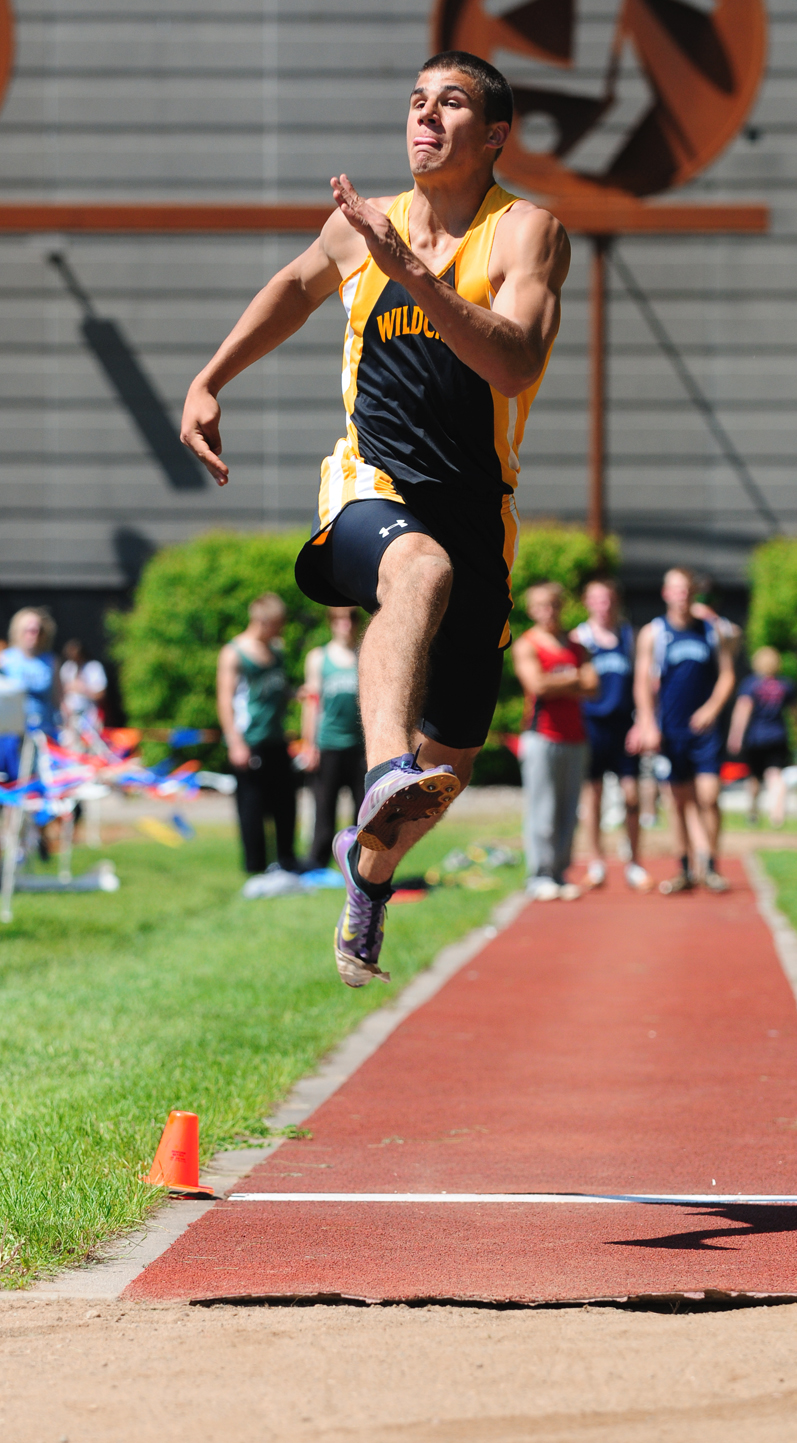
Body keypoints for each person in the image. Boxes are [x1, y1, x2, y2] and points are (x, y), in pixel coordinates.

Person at [181, 51, 569, 984]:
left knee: (455, 756)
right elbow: (293, 285)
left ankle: (370, 867)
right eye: (416, 101)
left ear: (496, 135)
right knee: (417, 570)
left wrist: (418, 280)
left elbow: (515, 364)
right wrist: (209, 378)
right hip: (370, 487)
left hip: (480, 512)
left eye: (452, 103)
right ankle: (382, 768)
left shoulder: (525, 232)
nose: (426, 116)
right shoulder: (362, 226)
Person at [633, 567, 736, 894]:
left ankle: (711, 864)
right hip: (670, 730)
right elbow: (641, 683)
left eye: (686, 589)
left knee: (709, 795)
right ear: (665, 593)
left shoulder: (711, 630)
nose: (681, 595)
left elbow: (728, 675)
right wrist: (647, 722)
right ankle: (684, 867)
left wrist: (711, 709)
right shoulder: (654, 633)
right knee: (676, 801)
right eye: (675, 589)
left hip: (704, 732)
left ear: (694, 593)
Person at [512, 582, 598, 900]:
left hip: (575, 737)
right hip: (541, 736)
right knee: (542, 808)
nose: (549, 611)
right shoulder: (528, 644)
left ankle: (560, 872)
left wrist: (561, 681)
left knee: (568, 810)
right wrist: (574, 679)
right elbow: (538, 686)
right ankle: (540, 874)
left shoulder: (576, 645)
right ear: (533, 610)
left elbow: (594, 685)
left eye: (554, 604)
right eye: (542, 605)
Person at [571, 578, 653, 892]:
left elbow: (642, 684)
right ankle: (597, 862)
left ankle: (634, 862)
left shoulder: (629, 637)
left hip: (624, 727)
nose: (603, 606)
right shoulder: (580, 637)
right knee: (593, 799)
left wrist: (641, 722)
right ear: (587, 602)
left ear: (615, 602)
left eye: (608, 599)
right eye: (597, 600)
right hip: (591, 726)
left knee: (632, 797)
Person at [216, 593, 298, 876]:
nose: (280, 629)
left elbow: (276, 688)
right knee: (252, 808)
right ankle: (255, 867)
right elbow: (225, 700)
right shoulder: (233, 653)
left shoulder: (277, 649)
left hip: (276, 739)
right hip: (249, 741)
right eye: (277, 624)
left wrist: (297, 695)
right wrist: (236, 743)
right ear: (262, 621)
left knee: (286, 805)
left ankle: (287, 862)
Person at [302, 607, 366, 870]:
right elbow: (312, 704)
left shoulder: (365, 655)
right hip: (328, 744)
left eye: (350, 618)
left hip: (360, 746)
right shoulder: (318, 658)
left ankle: (360, 863)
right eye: (339, 619)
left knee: (363, 809)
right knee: (324, 809)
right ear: (331, 622)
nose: (345, 624)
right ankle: (317, 862)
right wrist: (309, 745)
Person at [728, 646, 795, 828]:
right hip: (778, 736)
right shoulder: (785, 685)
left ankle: (753, 812)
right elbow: (793, 712)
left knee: (754, 777)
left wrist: (735, 736)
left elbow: (743, 711)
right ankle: (777, 814)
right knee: (775, 775)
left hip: (756, 738)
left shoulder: (751, 684)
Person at [0, 608, 61, 777]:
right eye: (28, 630)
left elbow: (59, 697)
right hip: (12, 736)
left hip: (43, 732)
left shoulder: (50, 661)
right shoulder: (6, 659)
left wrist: (67, 727)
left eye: (38, 630)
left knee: (41, 779)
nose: (33, 634)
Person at [60, 639, 108, 730]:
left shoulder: (93, 667)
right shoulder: (67, 668)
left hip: (90, 716)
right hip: (71, 717)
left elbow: (101, 694)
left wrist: (83, 690)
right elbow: (59, 693)